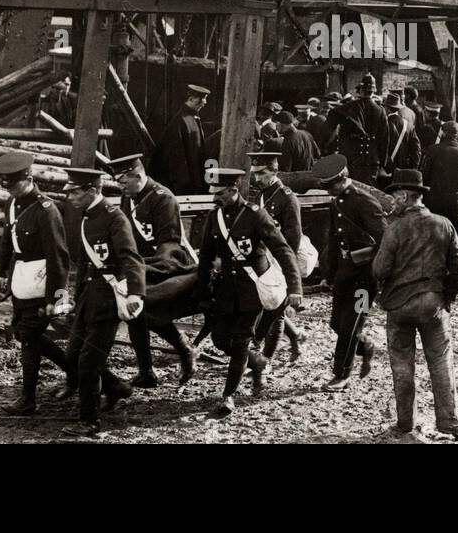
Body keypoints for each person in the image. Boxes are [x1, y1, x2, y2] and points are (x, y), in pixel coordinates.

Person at [192, 167, 302, 417]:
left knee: (241, 342)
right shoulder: (214, 217)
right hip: (225, 292)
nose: (214, 198)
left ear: (233, 190)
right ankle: (259, 363)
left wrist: (295, 287)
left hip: (252, 291)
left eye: (219, 193)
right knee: (220, 340)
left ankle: (228, 396)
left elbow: (283, 250)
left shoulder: (255, 215)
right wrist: (202, 293)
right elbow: (206, 259)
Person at [373, 169, 458, 440]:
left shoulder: (394, 229)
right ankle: (449, 423)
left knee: (402, 366)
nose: (393, 202)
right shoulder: (444, 224)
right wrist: (445, 296)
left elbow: (380, 270)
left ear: (404, 197)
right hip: (433, 305)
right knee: (441, 364)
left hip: (399, 307)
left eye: (395, 197)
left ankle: (405, 423)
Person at [60, 168, 145, 436]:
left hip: (108, 301)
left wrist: (135, 293)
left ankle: (90, 421)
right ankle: (117, 388)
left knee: (88, 363)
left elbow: (131, 258)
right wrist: (74, 295)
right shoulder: (86, 216)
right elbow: (85, 263)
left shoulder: (114, 218)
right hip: (88, 298)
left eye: (75, 192)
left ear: (92, 191)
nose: (69, 197)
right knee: (72, 356)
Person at [0, 151, 71, 416]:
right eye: (7, 185)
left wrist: (57, 298)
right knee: (29, 335)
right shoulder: (12, 205)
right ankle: (97, 378)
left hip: (42, 280)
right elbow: (6, 242)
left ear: (28, 178)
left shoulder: (46, 210)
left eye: (14, 184)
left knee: (28, 337)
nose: (11, 190)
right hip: (20, 279)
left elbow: (59, 256)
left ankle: (27, 399)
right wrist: (2, 273)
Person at [108, 154, 196, 390]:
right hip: (143, 265)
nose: (120, 187)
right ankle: (147, 370)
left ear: (138, 176)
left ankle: (183, 350)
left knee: (144, 310)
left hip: (171, 266)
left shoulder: (163, 198)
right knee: (134, 308)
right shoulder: (130, 195)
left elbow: (169, 244)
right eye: (118, 182)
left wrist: (141, 268)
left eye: (123, 181)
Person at [314, 154, 386, 390]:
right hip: (345, 273)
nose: (327, 191)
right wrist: (329, 272)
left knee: (350, 326)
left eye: (330, 186)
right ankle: (365, 347)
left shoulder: (365, 202)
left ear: (342, 179)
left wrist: (375, 270)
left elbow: (384, 240)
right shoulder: (337, 202)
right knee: (336, 324)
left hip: (366, 278)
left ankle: (341, 374)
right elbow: (334, 240)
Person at [248, 152, 308, 366]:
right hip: (264, 259)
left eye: (262, 173)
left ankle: (264, 358)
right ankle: (296, 337)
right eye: (254, 173)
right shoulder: (260, 194)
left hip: (280, 260)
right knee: (272, 304)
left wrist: (286, 268)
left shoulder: (287, 197)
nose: (256, 179)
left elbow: (294, 236)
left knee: (275, 309)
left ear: (274, 171)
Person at [421, 120, 458, 250]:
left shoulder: (432, 150)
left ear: (443, 133)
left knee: (434, 235)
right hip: (455, 200)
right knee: (456, 236)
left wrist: (427, 195)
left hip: (434, 199)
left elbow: (425, 176)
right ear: (457, 135)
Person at [326, 74, 390, 187]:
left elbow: (329, 128)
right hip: (372, 161)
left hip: (352, 160)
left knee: (352, 189)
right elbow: (384, 140)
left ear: (360, 90)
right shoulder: (381, 111)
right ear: (373, 92)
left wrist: (330, 151)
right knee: (370, 191)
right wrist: (382, 163)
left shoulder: (347, 108)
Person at [153, 84, 210, 195]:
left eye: (205, 98)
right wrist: (184, 186)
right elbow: (177, 159)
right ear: (191, 99)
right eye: (202, 99)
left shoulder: (193, 118)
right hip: (184, 185)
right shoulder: (180, 121)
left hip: (193, 180)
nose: (204, 102)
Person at [384, 91, 422, 172]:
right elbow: (417, 150)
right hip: (404, 169)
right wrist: (412, 169)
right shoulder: (409, 126)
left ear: (387, 108)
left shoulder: (382, 124)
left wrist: (391, 168)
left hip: (385, 170)